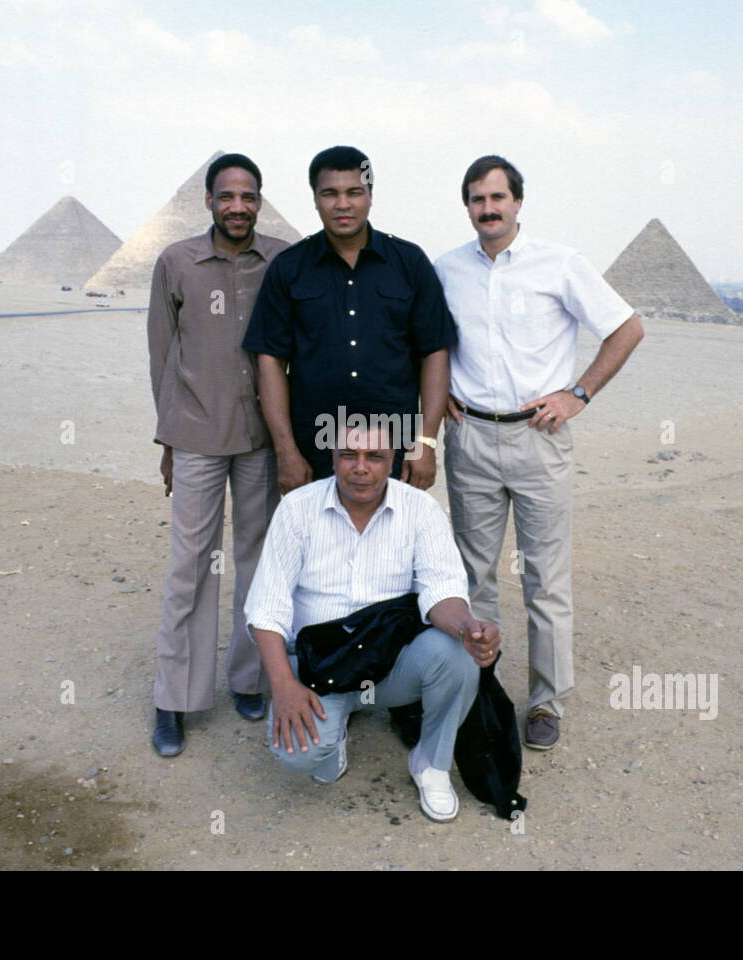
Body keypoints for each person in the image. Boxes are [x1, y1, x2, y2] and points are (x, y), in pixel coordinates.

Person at [433, 155, 645, 750]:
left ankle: (547, 702)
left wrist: (579, 393)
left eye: (498, 197)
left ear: (518, 201)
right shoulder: (446, 269)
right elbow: (422, 338)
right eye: (477, 199)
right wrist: (439, 388)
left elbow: (627, 326)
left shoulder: (561, 265)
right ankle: (477, 691)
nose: (488, 208)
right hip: (470, 436)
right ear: (467, 205)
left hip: (539, 436)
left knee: (545, 581)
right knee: (472, 575)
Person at [244, 426, 501, 822]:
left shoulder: (421, 509)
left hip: (389, 662)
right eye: (349, 455)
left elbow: (442, 591)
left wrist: (468, 626)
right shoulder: (296, 508)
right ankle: (333, 740)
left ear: (393, 461)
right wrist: (282, 685)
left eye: (374, 457)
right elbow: (266, 607)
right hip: (319, 664)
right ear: (333, 459)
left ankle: (431, 763)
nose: (360, 468)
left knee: (457, 652)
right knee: (299, 755)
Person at [146, 152, 290, 757]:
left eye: (248, 197)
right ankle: (175, 699)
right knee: (190, 568)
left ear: (259, 201)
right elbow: (161, 356)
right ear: (207, 200)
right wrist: (169, 439)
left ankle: (250, 679)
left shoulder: (283, 259)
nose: (238, 207)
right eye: (226, 196)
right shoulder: (176, 262)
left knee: (259, 564)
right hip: (199, 437)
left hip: (260, 439)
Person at [242, 145, 455, 492]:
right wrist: (286, 452)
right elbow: (270, 361)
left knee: (393, 544)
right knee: (319, 544)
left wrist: (425, 442)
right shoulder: (289, 268)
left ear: (370, 195)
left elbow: (434, 351)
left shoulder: (409, 262)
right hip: (313, 448)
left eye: (354, 192)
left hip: (395, 447)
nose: (343, 204)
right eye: (330, 193)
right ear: (315, 199)